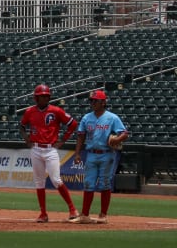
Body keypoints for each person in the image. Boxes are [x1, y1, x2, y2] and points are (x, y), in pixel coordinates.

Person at [19, 83, 79, 223]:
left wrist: (63, 140)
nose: (44, 98)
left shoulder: (56, 110)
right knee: (39, 181)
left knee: (56, 179)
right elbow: (22, 126)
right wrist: (26, 138)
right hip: (36, 149)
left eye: (46, 96)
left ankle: (72, 209)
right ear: (36, 98)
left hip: (50, 149)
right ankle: (43, 213)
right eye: (41, 96)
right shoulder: (29, 111)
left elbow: (73, 124)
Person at [71, 89, 129, 224]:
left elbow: (124, 133)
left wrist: (117, 140)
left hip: (106, 155)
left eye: (95, 101)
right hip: (91, 154)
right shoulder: (87, 118)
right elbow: (81, 136)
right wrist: (78, 153)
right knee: (88, 184)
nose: (92, 103)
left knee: (105, 184)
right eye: (91, 101)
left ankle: (103, 216)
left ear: (103, 102)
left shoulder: (112, 117)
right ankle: (84, 215)